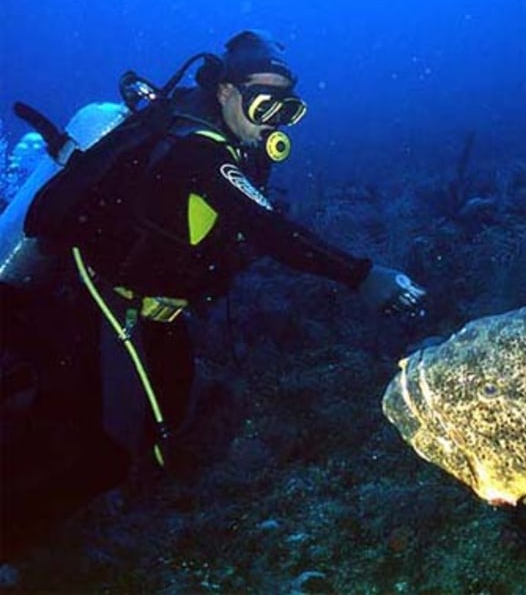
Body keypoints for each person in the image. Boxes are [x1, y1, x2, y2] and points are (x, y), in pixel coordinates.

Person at [0, 30, 426, 557]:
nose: (273, 120)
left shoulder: (225, 148)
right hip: (91, 301)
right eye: (263, 102)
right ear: (225, 92)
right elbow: (271, 230)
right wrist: (362, 275)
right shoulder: (198, 151)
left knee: (159, 429)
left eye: (286, 109)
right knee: (99, 452)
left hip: (152, 314)